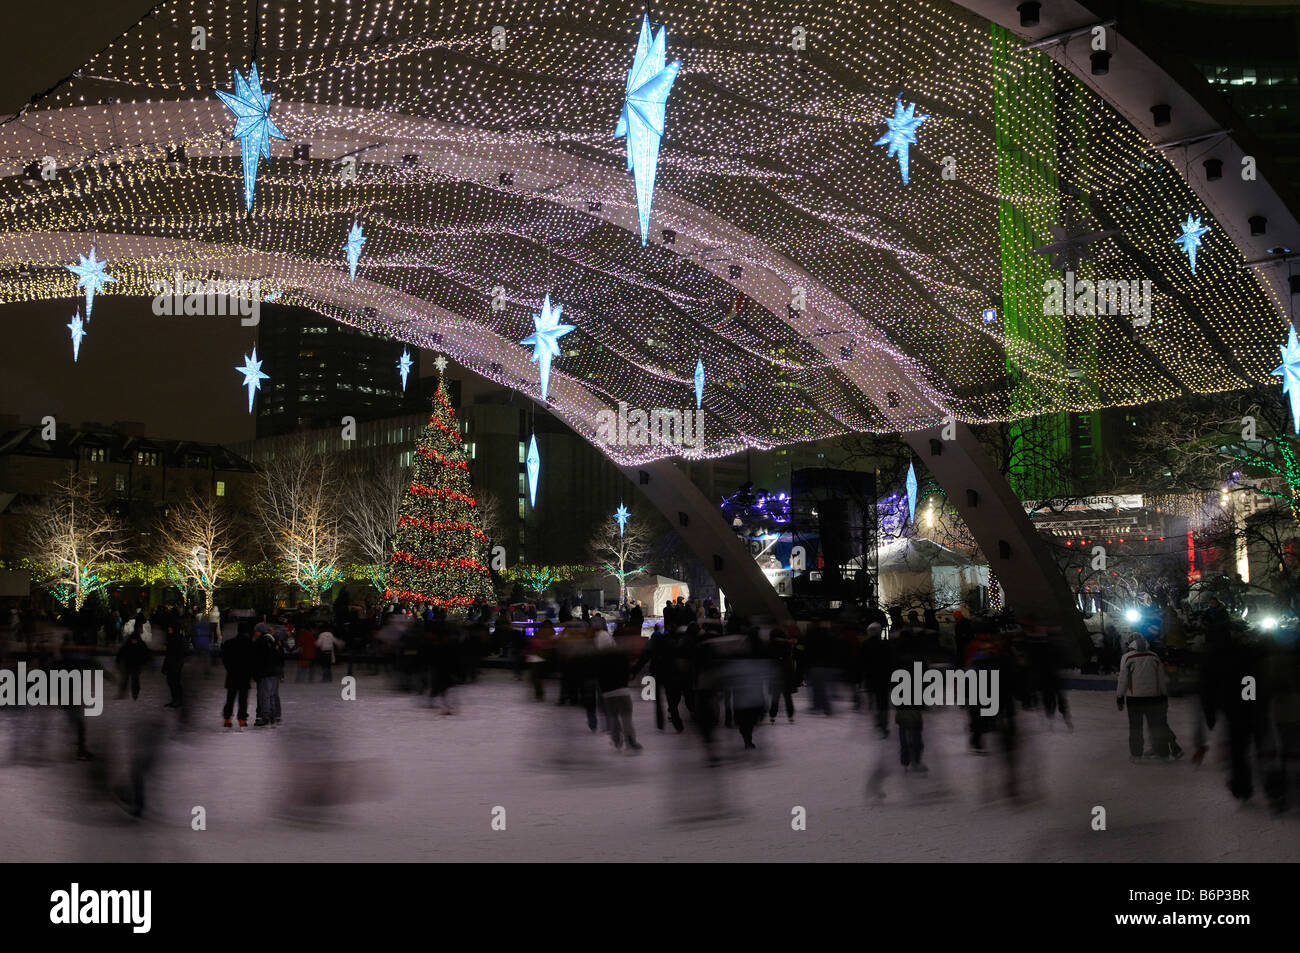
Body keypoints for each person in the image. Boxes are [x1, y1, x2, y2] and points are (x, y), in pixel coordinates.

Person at [1117, 636, 1182, 762]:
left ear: (1131, 646)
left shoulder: (1127, 657)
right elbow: (1161, 678)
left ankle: (1136, 755)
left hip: (1134, 699)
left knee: (1136, 727)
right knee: (1155, 726)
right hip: (1154, 698)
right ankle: (1163, 754)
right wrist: (1163, 694)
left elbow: (1123, 679)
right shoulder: (1154, 657)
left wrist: (1119, 697)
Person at [221, 624, 254, 729]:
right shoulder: (250, 644)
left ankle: (227, 719)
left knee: (230, 698)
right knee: (243, 699)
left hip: (232, 675)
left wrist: (229, 668)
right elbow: (253, 661)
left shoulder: (229, 643)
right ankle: (242, 720)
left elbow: (224, 658)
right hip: (245, 676)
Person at [115, 629, 150, 700]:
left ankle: (135, 693)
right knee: (125, 679)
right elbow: (120, 653)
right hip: (127, 664)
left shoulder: (141, 644)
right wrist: (118, 661)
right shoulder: (127, 644)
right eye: (132, 640)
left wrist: (145, 663)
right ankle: (122, 693)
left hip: (137, 665)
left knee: (135, 679)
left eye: (135, 640)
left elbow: (146, 654)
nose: (134, 641)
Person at [161, 623, 187, 708]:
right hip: (172, 662)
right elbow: (168, 653)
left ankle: (177, 700)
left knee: (174, 682)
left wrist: (177, 662)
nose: (169, 630)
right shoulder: (173, 638)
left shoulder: (177, 638)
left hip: (175, 663)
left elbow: (175, 652)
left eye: (170, 628)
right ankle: (175, 700)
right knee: (172, 682)